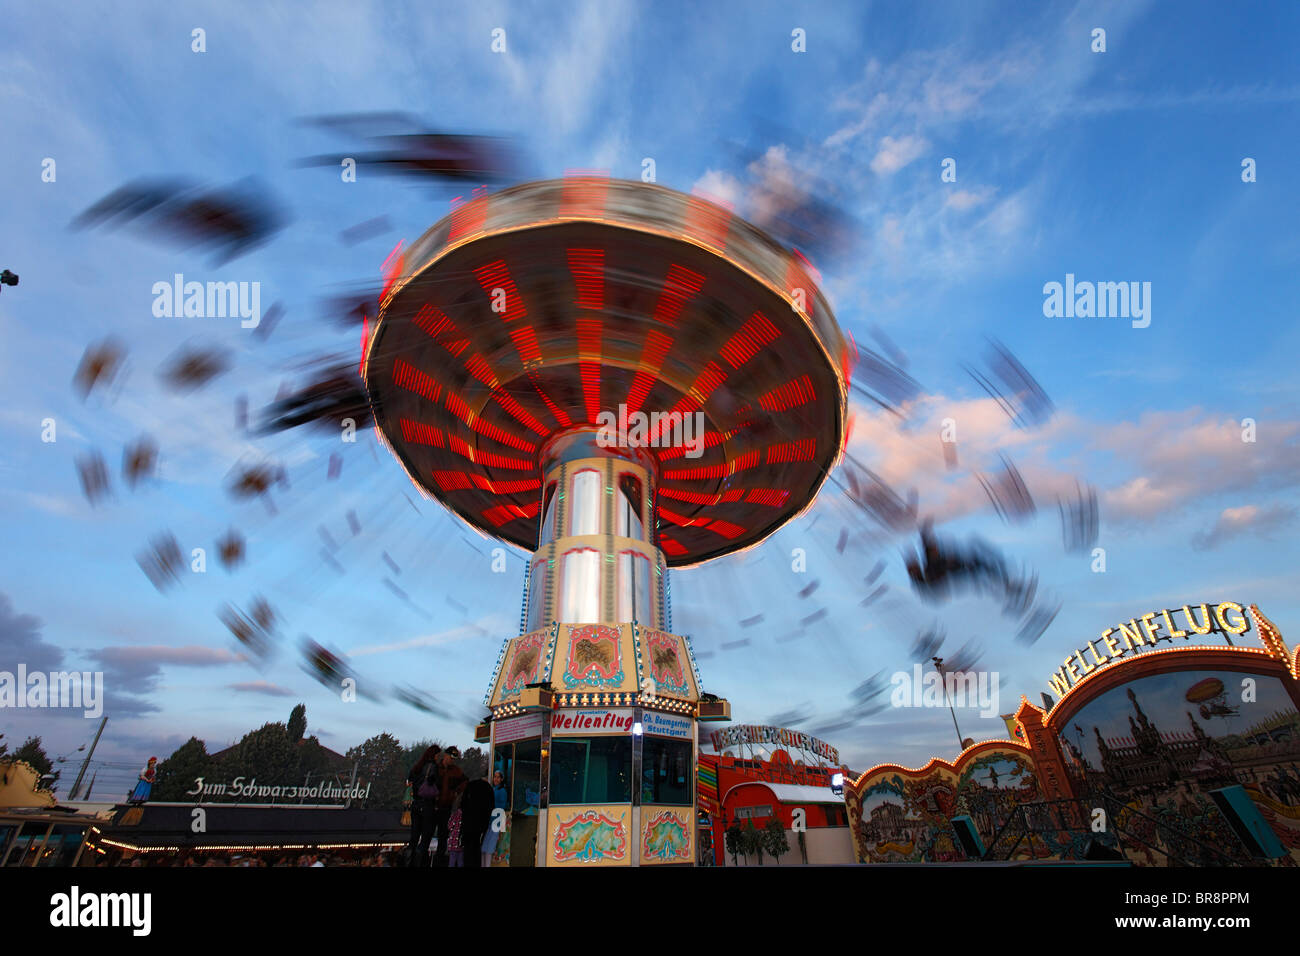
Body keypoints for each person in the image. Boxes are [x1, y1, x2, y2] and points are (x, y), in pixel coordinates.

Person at [405, 745, 441, 866]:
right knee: (425, 839)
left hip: (415, 804)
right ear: (434, 755)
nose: (438, 757)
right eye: (437, 755)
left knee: (413, 838)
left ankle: (408, 862)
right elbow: (434, 781)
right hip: (427, 805)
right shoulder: (434, 767)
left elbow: (410, 779)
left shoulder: (418, 766)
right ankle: (419, 862)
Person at [432, 746, 467, 867]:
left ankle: (439, 863)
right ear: (445, 756)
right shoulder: (436, 768)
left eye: (454, 758)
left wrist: (456, 792)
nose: (452, 760)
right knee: (427, 835)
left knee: (442, 838)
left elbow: (465, 783)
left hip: (446, 807)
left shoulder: (456, 771)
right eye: (451, 757)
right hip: (432, 807)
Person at [460, 773, 497, 869]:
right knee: (476, 845)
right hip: (480, 822)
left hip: (468, 822)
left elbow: (463, 804)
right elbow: (491, 806)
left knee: (468, 847)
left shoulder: (470, 786)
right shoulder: (488, 788)